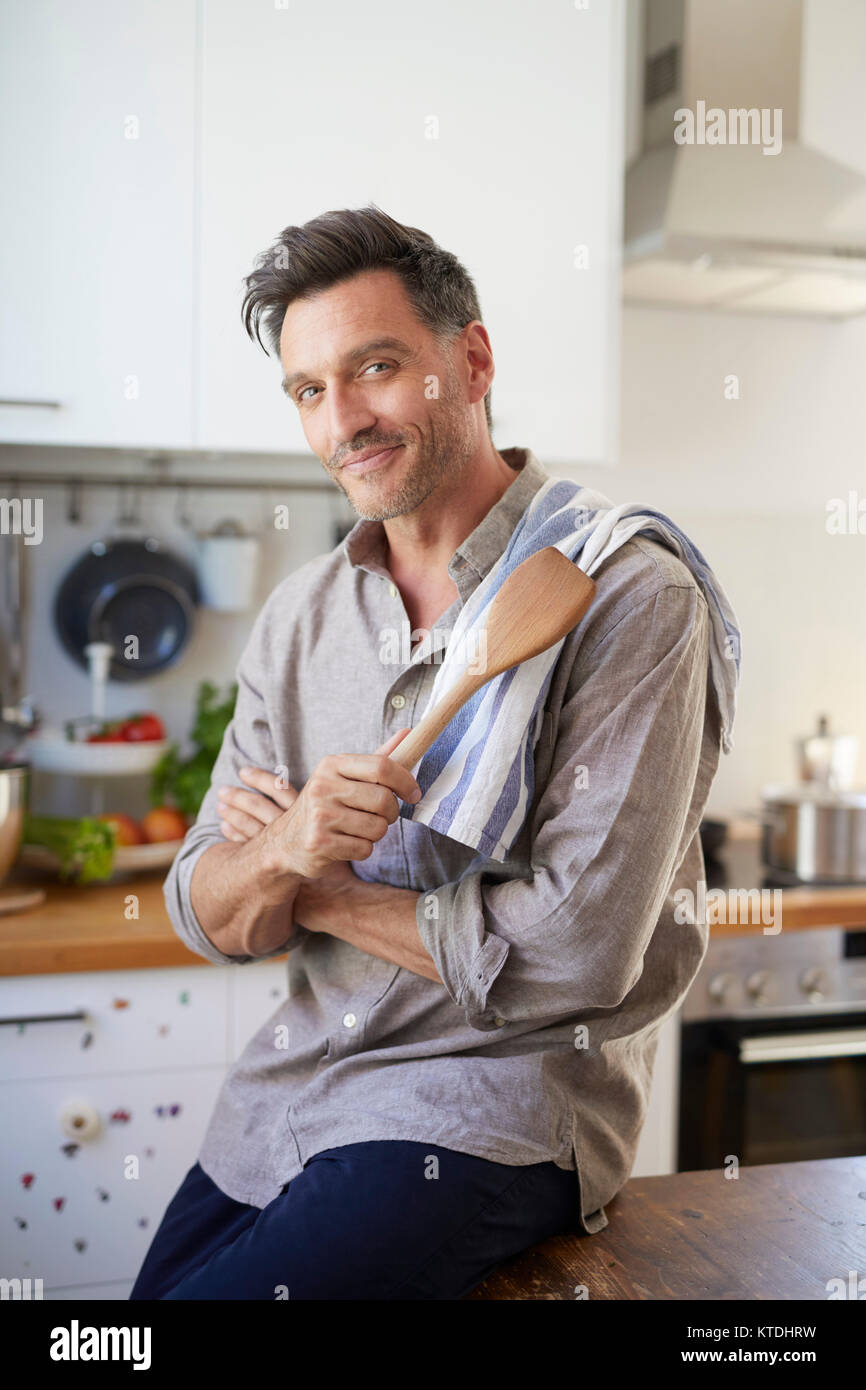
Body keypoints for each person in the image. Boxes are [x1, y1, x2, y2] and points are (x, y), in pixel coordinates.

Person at [130, 205, 724, 1301]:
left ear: (471, 359)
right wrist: (268, 860)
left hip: (488, 1108)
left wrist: (312, 886)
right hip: (289, 1092)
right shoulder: (301, 615)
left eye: (376, 367)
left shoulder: (627, 593)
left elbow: (575, 954)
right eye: (309, 390)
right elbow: (206, 910)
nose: (342, 419)